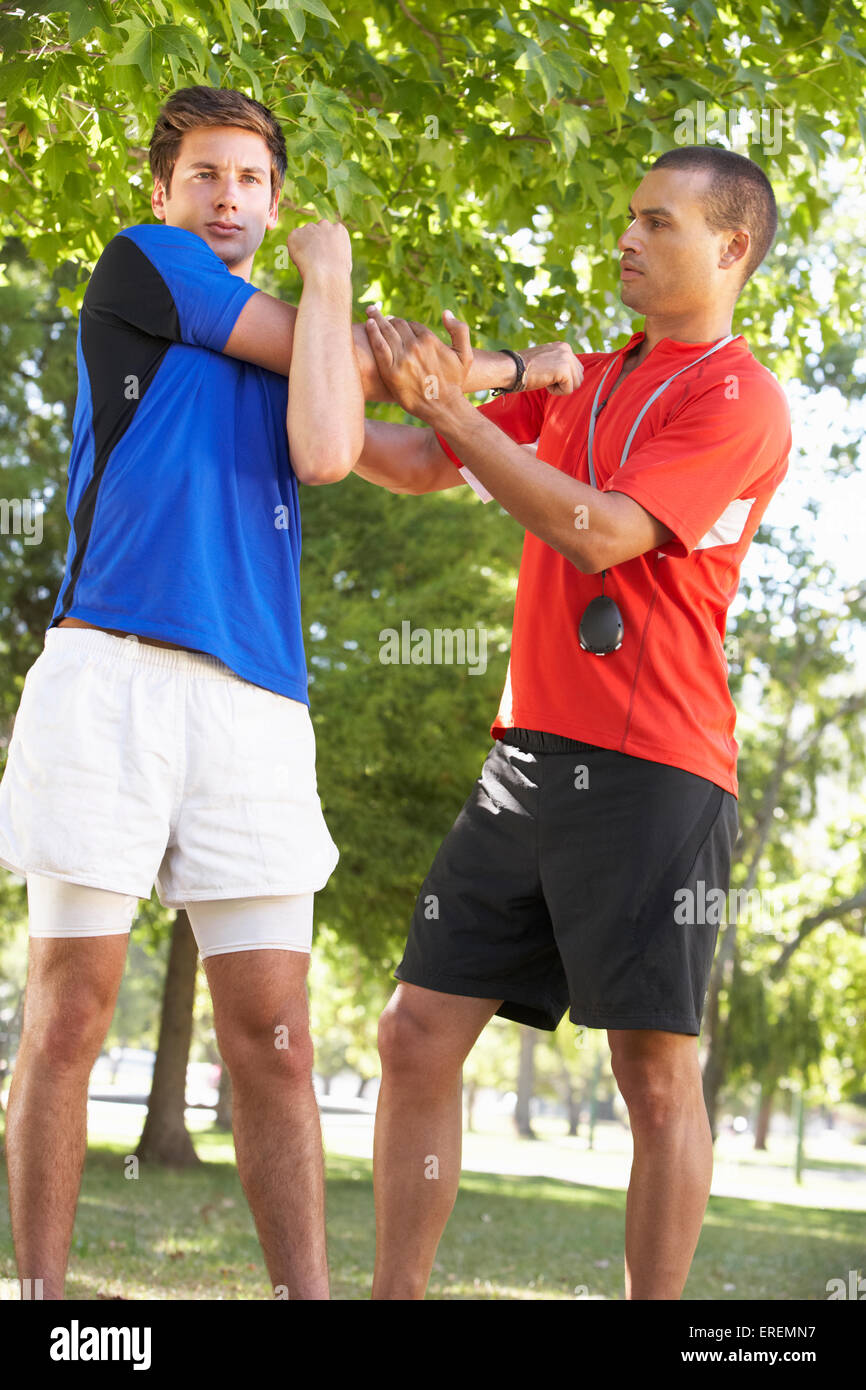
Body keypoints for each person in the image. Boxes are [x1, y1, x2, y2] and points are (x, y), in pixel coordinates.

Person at [0, 84, 578, 1302]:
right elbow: (355, 377)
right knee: (70, 1012)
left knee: (275, 1037)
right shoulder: (149, 269)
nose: (227, 198)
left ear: (273, 198)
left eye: (251, 180)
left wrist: (517, 393)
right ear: (163, 194)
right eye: (205, 175)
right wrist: (501, 346)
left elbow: (414, 454)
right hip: (112, 672)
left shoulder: (294, 351)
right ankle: (44, 1303)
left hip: (256, 707)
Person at [352, 144, 792, 1300]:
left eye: (656, 222)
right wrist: (305, 383)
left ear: (730, 247)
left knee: (652, 1074)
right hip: (522, 761)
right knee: (412, 1034)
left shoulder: (738, 398)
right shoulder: (579, 378)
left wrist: (464, 405)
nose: (625, 240)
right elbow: (406, 459)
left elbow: (598, 530)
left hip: (654, 767)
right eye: (625, 218)